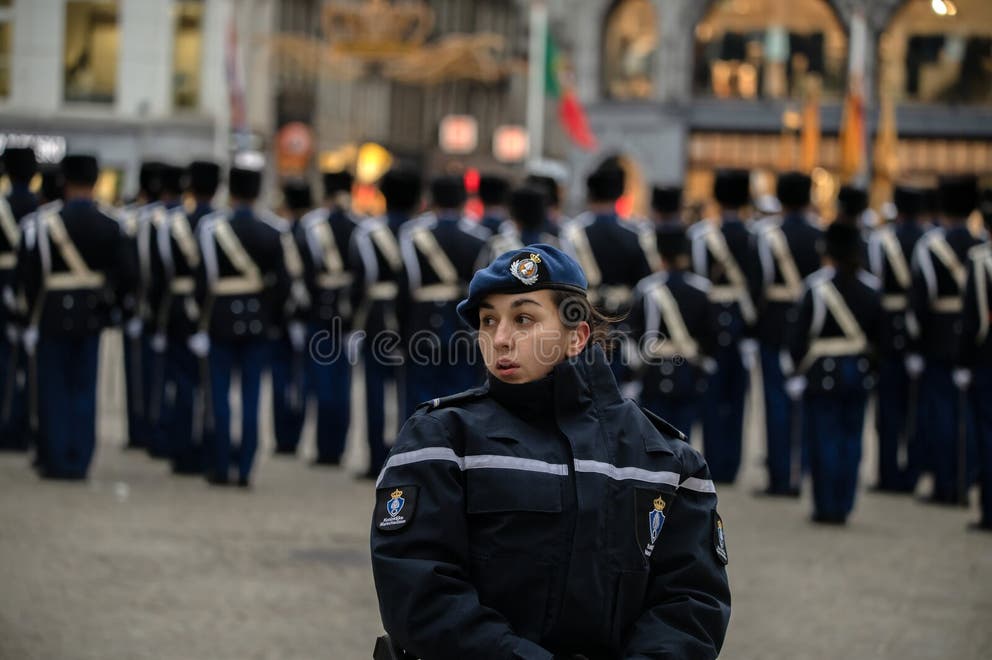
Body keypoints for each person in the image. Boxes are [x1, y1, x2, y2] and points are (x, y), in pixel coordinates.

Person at [371, 244, 731, 660]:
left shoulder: (666, 459)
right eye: (488, 321)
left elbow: (692, 601)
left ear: (576, 335)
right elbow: (419, 592)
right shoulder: (440, 440)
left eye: (523, 319)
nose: (501, 339)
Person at [16, 154, 130, 479]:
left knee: (53, 389)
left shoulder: (40, 223)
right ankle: (79, 457)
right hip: (91, 315)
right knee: (84, 388)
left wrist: (28, 320)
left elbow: (29, 277)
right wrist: (111, 311)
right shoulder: (111, 224)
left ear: (65, 182)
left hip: (51, 314)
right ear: (94, 183)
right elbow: (127, 274)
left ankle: (55, 457)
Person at [192, 158, 289, 487]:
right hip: (258, 323)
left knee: (219, 397)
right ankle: (246, 467)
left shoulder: (210, 228)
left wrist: (201, 322)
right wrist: (272, 319)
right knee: (251, 399)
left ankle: (221, 465)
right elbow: (283, 285)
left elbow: (202, 282)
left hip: (219, 320)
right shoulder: (273, 230)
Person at [785, 222, 882, 524]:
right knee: (852, 441)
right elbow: (880, 338)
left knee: (823, 439)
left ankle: (825, 505)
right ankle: (844, 504)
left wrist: (796, 369)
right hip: (857, 369)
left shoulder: (816, 287)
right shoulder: (871, 287)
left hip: (822, 371)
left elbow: (799, 336)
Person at [908, 175, 983, 505]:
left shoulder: (930, 246)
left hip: (937, 341)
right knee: (972, 418)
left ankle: (945, 483)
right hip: (976, 342)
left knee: (941, 417)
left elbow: (919, 302)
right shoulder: (981, 245)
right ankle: (969, 480)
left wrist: (916, 343)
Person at [688, 168, 761, 484]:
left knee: (712, 396)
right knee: (737, 397)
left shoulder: (701, 236)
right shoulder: (755, 235)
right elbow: (760, 284)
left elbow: (696, 284)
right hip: (744, 322)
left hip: (711, 319)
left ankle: (714, 460)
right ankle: (732, 464)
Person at [753, 171, 823, 496]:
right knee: (808, 401)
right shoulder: (820, 233)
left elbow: (761, 285)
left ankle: (781, 475)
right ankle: (805, 466)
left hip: (776, 324)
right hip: (813, 324)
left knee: (777, 402)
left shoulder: (767, 235)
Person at [350, 167, 420, 478]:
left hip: (377, 316)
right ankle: (407, 456)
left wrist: (354, 321)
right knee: (412, 390)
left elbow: (360, 282)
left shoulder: (367, 232)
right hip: (417, 316)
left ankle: (376, 457)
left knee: (375, 392)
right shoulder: (421, 232)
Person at [398, 175, 489, 416]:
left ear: (431, 200)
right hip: (464, 324)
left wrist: (400, 331)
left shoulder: (411, 234)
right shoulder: (480, 235)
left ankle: (419, 451)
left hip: (421, 322)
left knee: (419, 396)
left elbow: (407, 286)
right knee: (460, 395)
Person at [866, 186, 928, 493]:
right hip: (923, 335)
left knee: (888, 411)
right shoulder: (930, 239)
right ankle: (913, 473)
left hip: (889, 331)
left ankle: (888, 474)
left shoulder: (881, 240)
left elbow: (874, 288)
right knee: (918, 410)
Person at [629, 224, 717, 439]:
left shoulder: (646, 289)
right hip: (688, 372)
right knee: (683, 436)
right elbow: (710, 336)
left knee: (653, 437)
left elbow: (634, 334)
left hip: (652, 372)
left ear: (660, 256)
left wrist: (632, 373)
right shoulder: (701, 289)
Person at [298, 169, 361, 466]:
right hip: (349, 313)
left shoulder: (311, 226)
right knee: (343, 384)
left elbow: (304, 275)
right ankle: (339, 446)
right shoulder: (361, 226)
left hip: (320, 312)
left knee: (322, 383)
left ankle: (326, 448)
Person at [270, 178, 313, 456]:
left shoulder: (282, 233)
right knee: (302, 380)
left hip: (284, 315)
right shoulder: (312, 233)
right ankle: (295, 433)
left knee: (281, 378)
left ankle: (283, 437)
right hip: (307, 313)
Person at [0, 147, 38, 451]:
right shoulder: (42, 209)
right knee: (34, 366)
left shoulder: (4, 206)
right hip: (37, 295)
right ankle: (27, 425)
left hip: (3, 291)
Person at [960, 196, 992, 532]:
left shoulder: (980, 259)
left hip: (986, 356)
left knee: (986, 433)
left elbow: (972, 319)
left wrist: (963, 360)